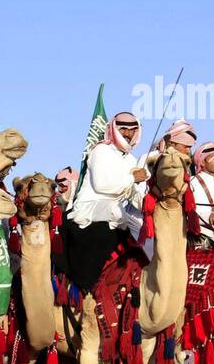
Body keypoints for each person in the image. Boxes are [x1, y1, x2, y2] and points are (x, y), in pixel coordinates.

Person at [62, 112, 149, 289]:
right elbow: (103, 185)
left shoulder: (131, 159)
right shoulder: (100, 150)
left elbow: (136, 199)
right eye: (123, 128)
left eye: (132, 130)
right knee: (117, 211)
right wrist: (132, 179)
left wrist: (150, 189)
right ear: (114, 129)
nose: (127, 133)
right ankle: (88, 286)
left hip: (117, 211)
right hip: (91, 208)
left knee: (143, 232)